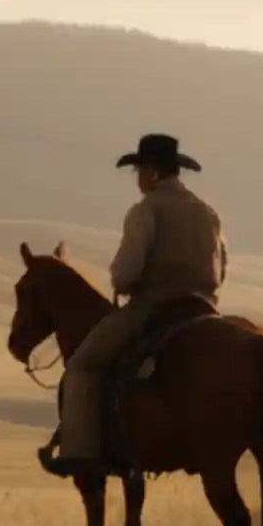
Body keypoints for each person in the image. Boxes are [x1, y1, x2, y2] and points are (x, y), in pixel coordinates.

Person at [41, 133, 228, 478]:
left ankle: (79, 453)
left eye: (139, 171)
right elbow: (221, 269)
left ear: (153, 173)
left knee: (82, 365)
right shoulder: (208, 213)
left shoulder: (146, 211)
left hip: (155, 309)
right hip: (204, 309)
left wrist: (123, 283)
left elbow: (126, 273)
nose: (138, 178)